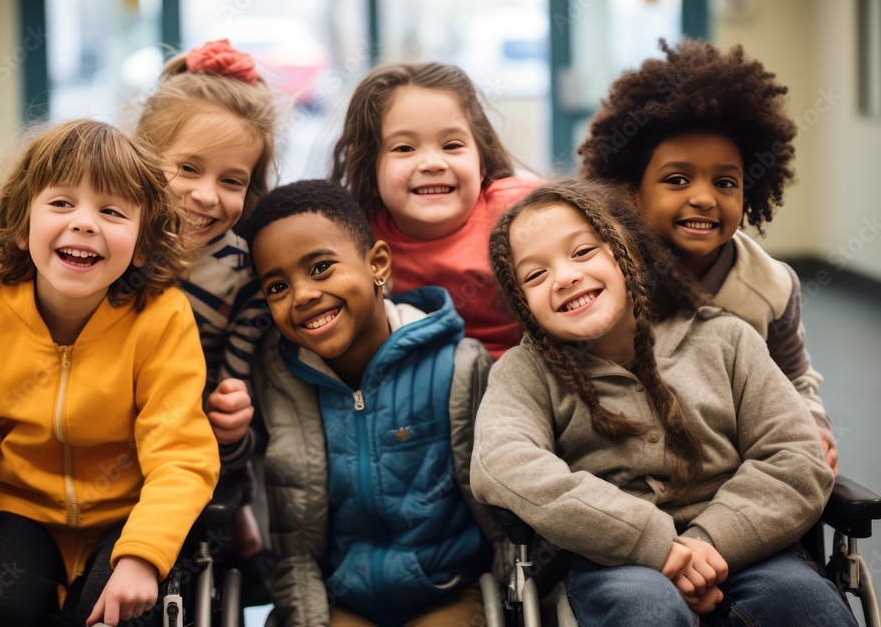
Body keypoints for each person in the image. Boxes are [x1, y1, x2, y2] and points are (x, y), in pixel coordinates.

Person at [470, 181, 853, 626]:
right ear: (522, 303)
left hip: (752, 546)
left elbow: (796, 455)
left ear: (630, 251)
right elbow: (502, 462)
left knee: (806, 603)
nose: (565, 276)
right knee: (645, 610)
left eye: (583, 252)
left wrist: (710, 542)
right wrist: (653, 543)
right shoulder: (526, 371)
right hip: (614, 564)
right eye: (535, 275)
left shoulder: (724, 338)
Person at [0, 119, 220, 627]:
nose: (84, 222)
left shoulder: (162, 317)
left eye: (112, 211)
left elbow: (181, 455)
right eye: (60, 203)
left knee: (122, 614)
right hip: (20, 509)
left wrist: (142, 556)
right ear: (21, 222)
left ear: (141, 244)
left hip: (130, 512)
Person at [218, 179, 509, 625]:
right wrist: (230, 436)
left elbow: (503, 516)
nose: (303, 295)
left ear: (377, 264)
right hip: (337, 604)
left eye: (320, 268)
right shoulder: (278, 381)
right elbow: (250, 481)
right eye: (277, 287)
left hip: (451, 592)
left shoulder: (459, 367)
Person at [577, 38, 838, 474]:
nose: (704, 198)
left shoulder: (771, 285)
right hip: (624, 468)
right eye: (677, 180)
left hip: (734, 467)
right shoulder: (602, 274)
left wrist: (813, 423)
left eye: (725, 183)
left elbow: (794, 379)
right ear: (632, 193)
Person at [136, 38, 278, 559]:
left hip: (187, 462)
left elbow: (236, 388)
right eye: (188, 169)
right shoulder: (101, 246)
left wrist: (232, 427)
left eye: (232, 180)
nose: (206, 195)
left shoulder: (247, 277)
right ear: (144, 159)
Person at [330, 62, 541, 359]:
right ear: (367, 164)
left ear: (482, 160)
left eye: (452, 145)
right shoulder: (356, 241)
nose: (432, 163)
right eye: (404, 148)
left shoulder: (528, 212)